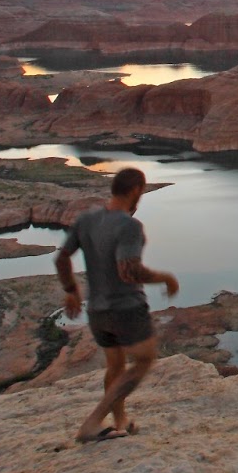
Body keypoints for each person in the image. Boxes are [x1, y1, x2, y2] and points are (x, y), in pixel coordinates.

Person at [54, 166, 179, 443]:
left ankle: (119, 420)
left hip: (97, 310)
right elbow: (129, 272)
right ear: (135, 190)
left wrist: (71, 291)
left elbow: (62, 259)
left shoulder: (87, 220)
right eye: (141, 192)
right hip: (126, 308)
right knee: (145, 360)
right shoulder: (129, 226)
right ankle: (92, 422)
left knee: (115, 366)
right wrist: (165, 278)